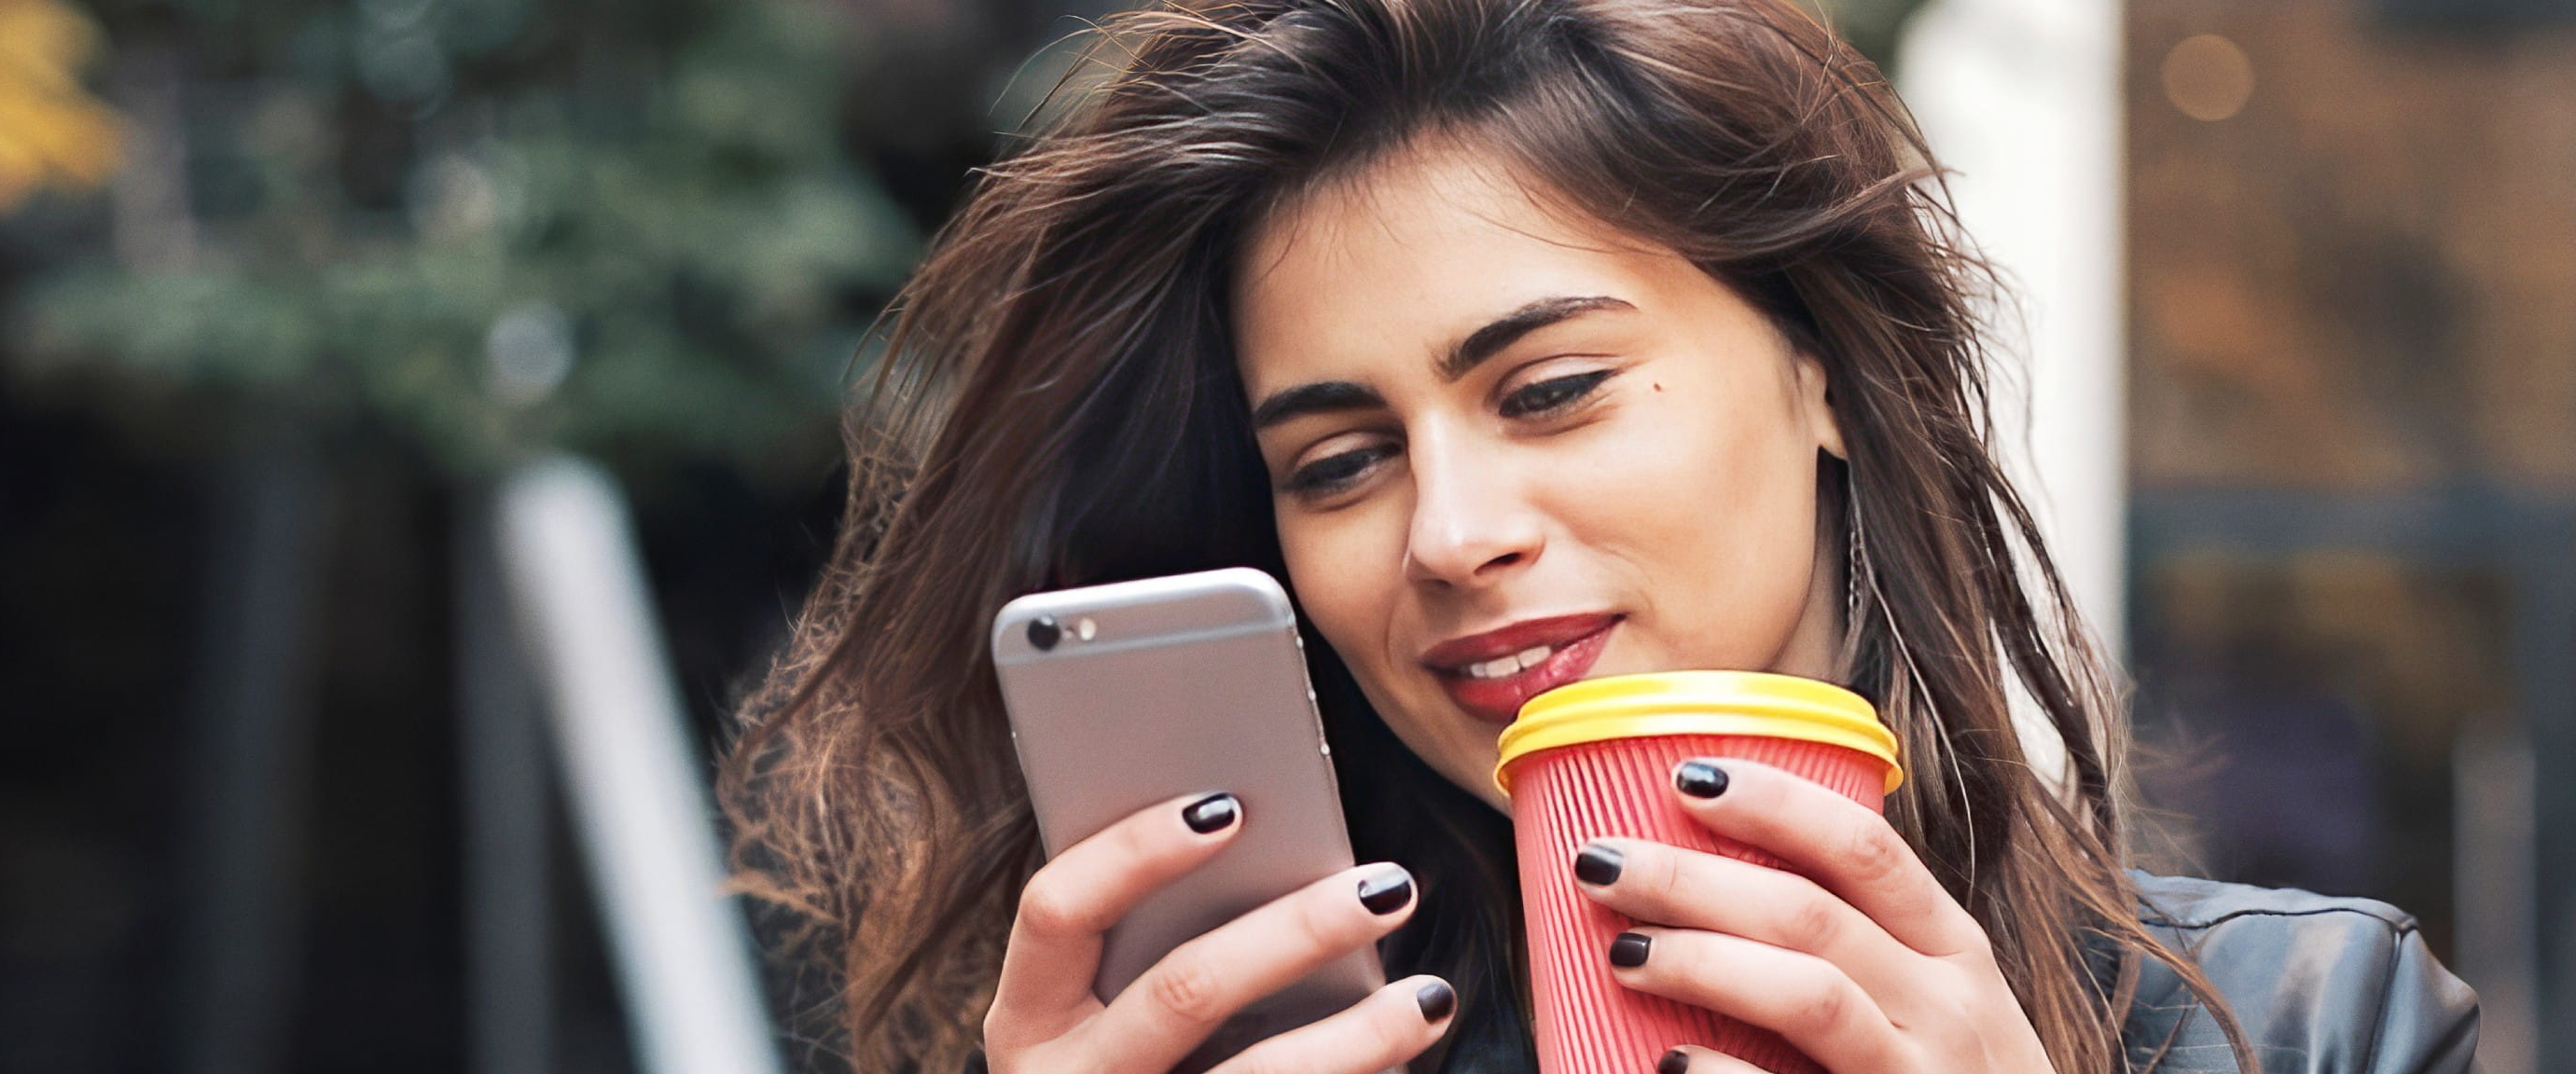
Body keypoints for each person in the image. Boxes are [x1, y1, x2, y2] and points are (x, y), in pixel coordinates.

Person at [717, 1, 2480, 1072]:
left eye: (1551, 388)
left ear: (1824, 379)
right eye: (1337, 464)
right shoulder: (1222, 1056)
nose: (1452, 533)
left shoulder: (2309, 1022)